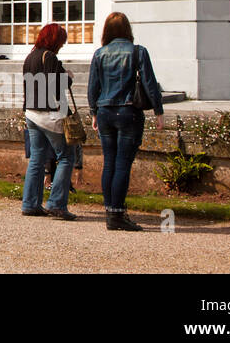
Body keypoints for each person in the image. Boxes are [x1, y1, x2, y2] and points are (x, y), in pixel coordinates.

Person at [87, 12, 165, 231]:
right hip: (128, 110)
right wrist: (158, 112)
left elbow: (93, 88)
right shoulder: (138, 51)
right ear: (127, 30)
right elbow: (150, 83)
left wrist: (94, 112)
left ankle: (111, 212)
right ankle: (118, 213)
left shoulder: (99, 54)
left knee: (109, 162)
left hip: (104, 111)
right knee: (122, 163)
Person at [21, 23, 76, 220]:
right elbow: (59, 85)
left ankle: (30, 203)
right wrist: (68, 76)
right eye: (61, 41)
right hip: (49, 114)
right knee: (67, 156)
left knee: (36, 159)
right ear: (55, 40)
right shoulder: (50, 57)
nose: (62, 45)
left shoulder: (30, 56)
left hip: (31, 113)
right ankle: (56, 204)